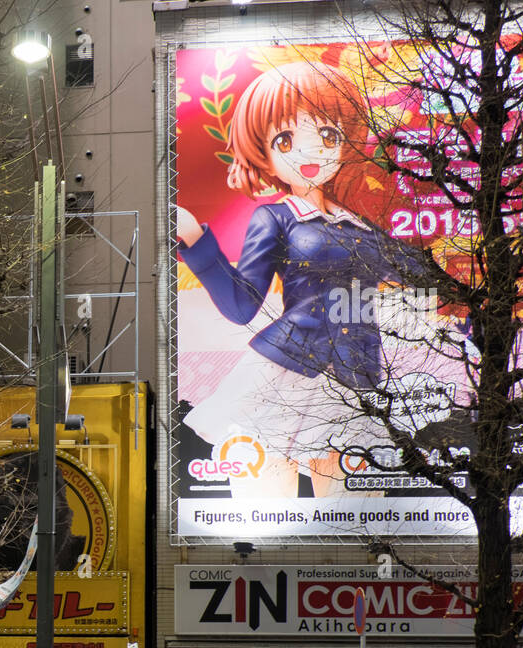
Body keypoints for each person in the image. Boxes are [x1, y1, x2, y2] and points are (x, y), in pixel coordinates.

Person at [176, 61, 422, 498]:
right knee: (267, 499)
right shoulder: (277, 217)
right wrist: (196, 241)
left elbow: (416, 273)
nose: (311, 153)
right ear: (262, 150)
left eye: (328, 136)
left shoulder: (361, 225)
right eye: (285, 139)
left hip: (356, 371)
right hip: (285, 368)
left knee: (359, 510)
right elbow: (240, 306)